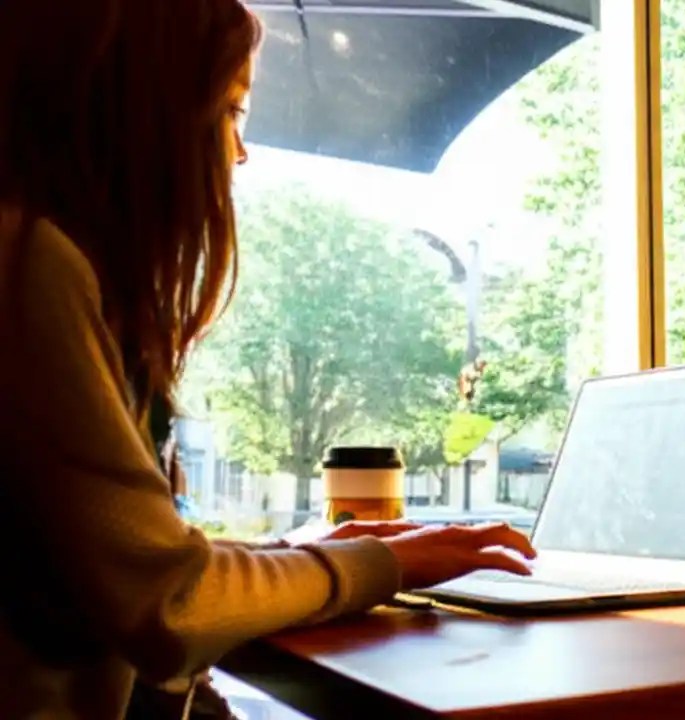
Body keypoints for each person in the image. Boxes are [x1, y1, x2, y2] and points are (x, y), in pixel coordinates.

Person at [0, 2, 536, 719]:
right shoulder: (27, 263)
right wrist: (390, 563)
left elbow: (126, 568)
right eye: (230, 112)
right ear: (141, 112)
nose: (237, 153)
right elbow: (170, 607)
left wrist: (296, 551)